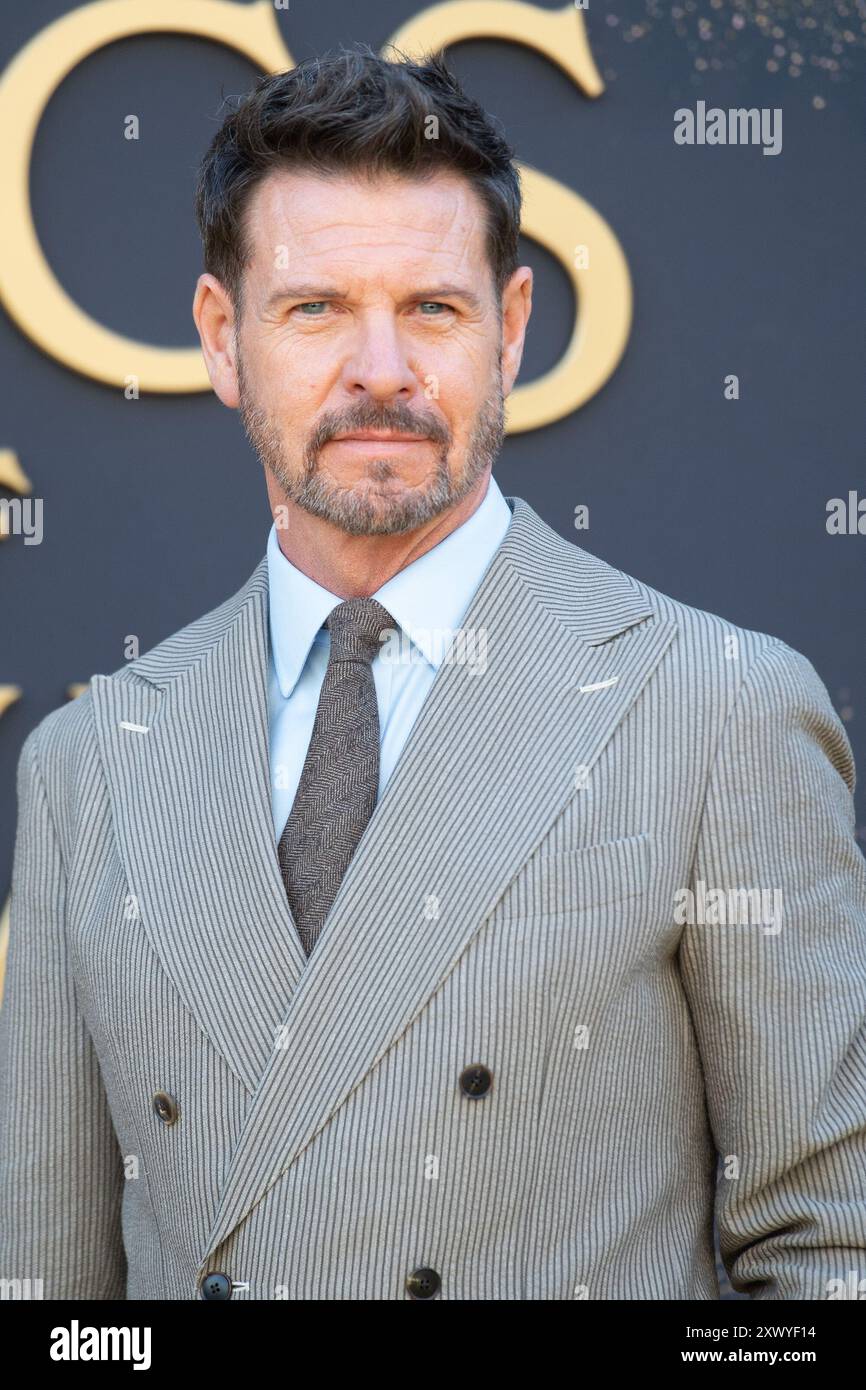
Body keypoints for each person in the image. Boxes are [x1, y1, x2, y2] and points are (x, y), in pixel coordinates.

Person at [1, 46, 864, 1302]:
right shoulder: (89, 766)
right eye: (313, 310)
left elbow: (832, 1249)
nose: (382, 372)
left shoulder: (716, 703)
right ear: (220, 339)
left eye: (432, 310)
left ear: (507, 332)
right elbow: (47, 1300)